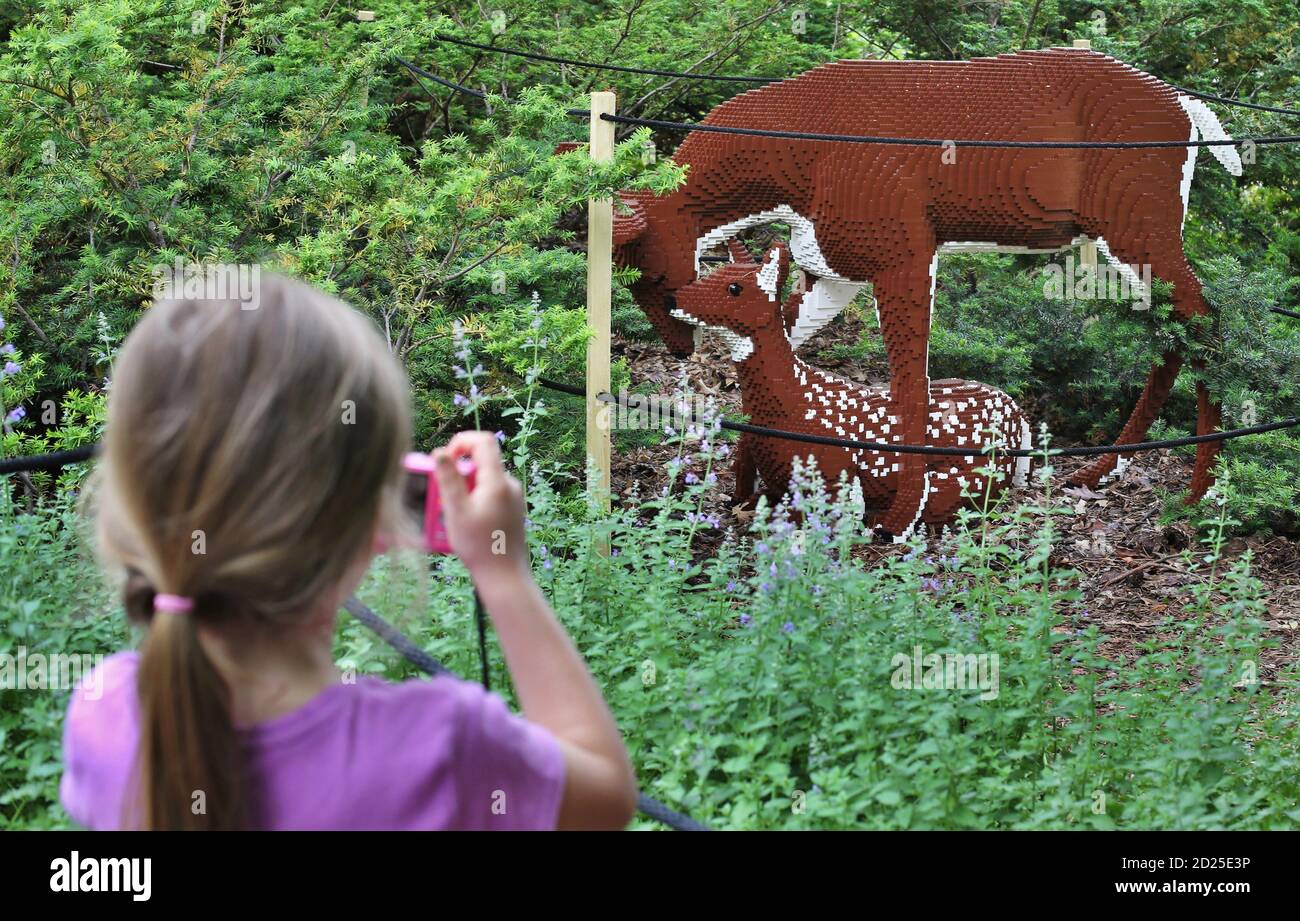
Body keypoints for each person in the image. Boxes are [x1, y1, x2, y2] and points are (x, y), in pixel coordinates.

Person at [59, 273, 637, 830]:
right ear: (373, 531)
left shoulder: (104, 714)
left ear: (129, 510)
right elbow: (606, 793)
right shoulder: (441, 750)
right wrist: (503, 572)